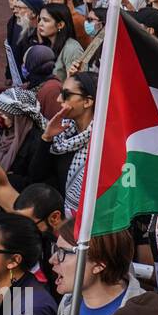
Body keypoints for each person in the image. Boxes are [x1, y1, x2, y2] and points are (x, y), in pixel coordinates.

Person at [39, 71, 97, 216]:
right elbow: (38, 176)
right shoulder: (64, 132)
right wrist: (46, 138)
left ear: (87, 102)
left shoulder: (100, 146)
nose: (59, 99)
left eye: (66, 95)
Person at [22, 44, 62, 121]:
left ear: (31, 65)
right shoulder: (37, 82)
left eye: (25, 63)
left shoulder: (52, 89)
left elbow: (52, 122)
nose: (23, 66)